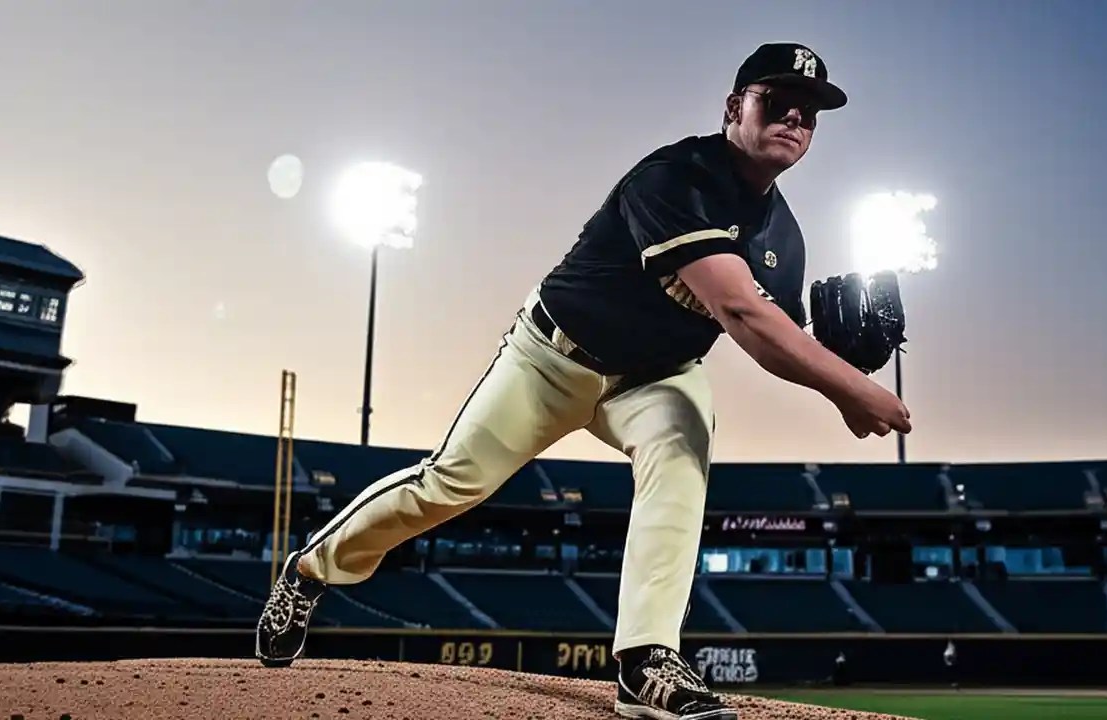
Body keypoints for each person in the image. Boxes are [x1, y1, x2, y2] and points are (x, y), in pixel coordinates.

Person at [255, 41, 912, 720]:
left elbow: (779, 333)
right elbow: (744, 315)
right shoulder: (674, 178)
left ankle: (647, 659)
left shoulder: (787, 241)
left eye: (810, 111)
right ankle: (310, 570)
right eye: (778, 101)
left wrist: (836, 373)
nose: (796, 118)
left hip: (656, 379)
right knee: (448, 485)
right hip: (551, 359)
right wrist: (851, 389)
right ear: (732, 108)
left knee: (684, 447)